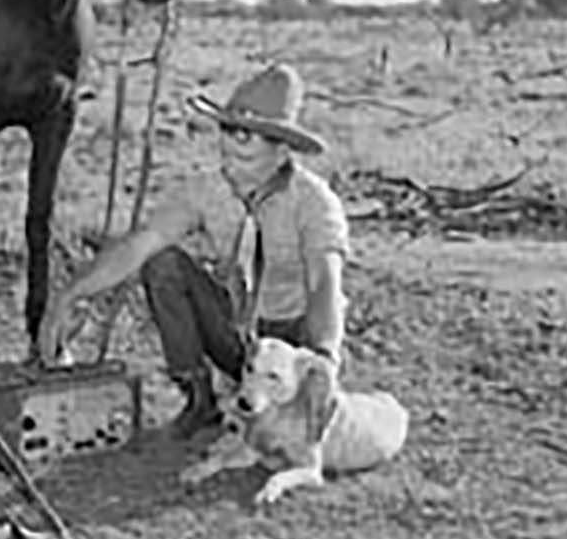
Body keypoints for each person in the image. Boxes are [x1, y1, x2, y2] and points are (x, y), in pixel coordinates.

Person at [38, 63, 351, 440]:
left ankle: (300, 400)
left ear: (282, 152)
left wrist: (323, 360)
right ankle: (199, 399)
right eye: (226, 155)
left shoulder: (314, 202)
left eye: (246, 160)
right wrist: (70, 294)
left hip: (292, 348)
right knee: (162, 263)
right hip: (240, 337)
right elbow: (140, 243)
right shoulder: (206, 189)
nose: (232, 169)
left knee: (289, 435)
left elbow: (324, 285)